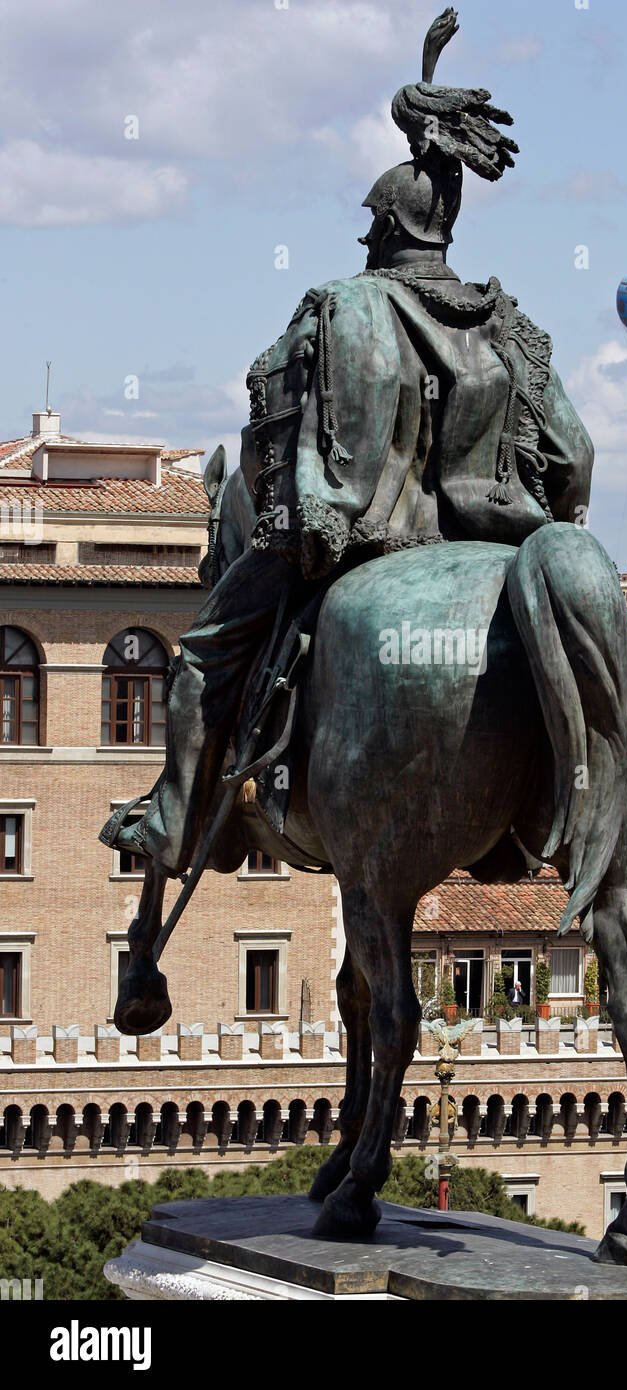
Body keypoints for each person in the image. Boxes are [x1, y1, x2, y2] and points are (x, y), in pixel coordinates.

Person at [100, 10, 594, 896]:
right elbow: (574, 453)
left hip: (360, 543)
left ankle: (173, 819)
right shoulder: (510, 326)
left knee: (206, 655)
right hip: (501, 550)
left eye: (370, 226)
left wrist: (307, 517)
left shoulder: (338, 306)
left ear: (381, 229)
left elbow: (273, 435)